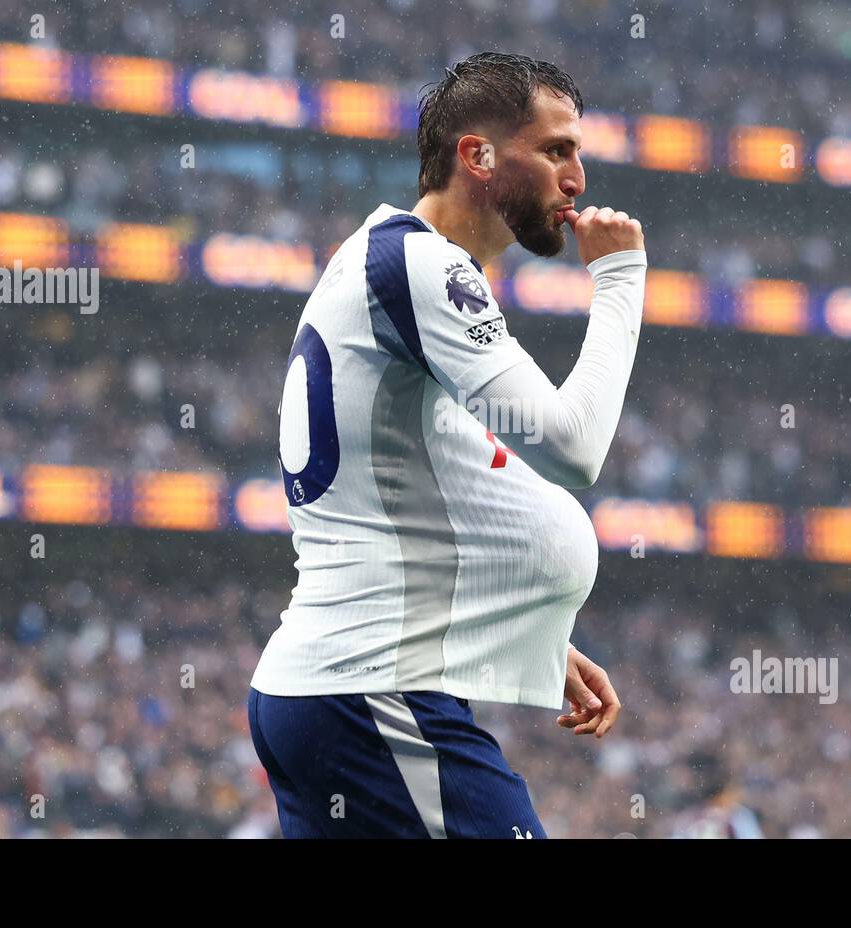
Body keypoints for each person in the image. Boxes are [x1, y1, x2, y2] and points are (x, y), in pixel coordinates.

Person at [248, 51, 647, 838]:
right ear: (479, 155)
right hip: (371, 694)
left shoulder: (388, 262)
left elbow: (420, 485)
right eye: (557, 149)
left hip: (340, 693)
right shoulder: (422, 266)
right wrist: (623, 279)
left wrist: (525, 629)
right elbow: (572, 448)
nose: (578, 178)